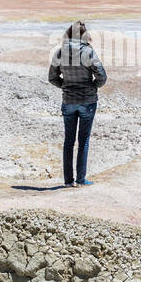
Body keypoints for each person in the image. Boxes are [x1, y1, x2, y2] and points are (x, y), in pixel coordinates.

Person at [48, 20, 107, 186]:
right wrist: (92, 87)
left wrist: (66, 86)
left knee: (68, 141)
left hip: (68, 101)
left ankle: (68, 181)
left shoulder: (59, 53)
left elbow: (52, 78)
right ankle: (81, 179)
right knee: (83, 141)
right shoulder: (88, 52)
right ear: (84, 35)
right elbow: (102, 77)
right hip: (87, 101)